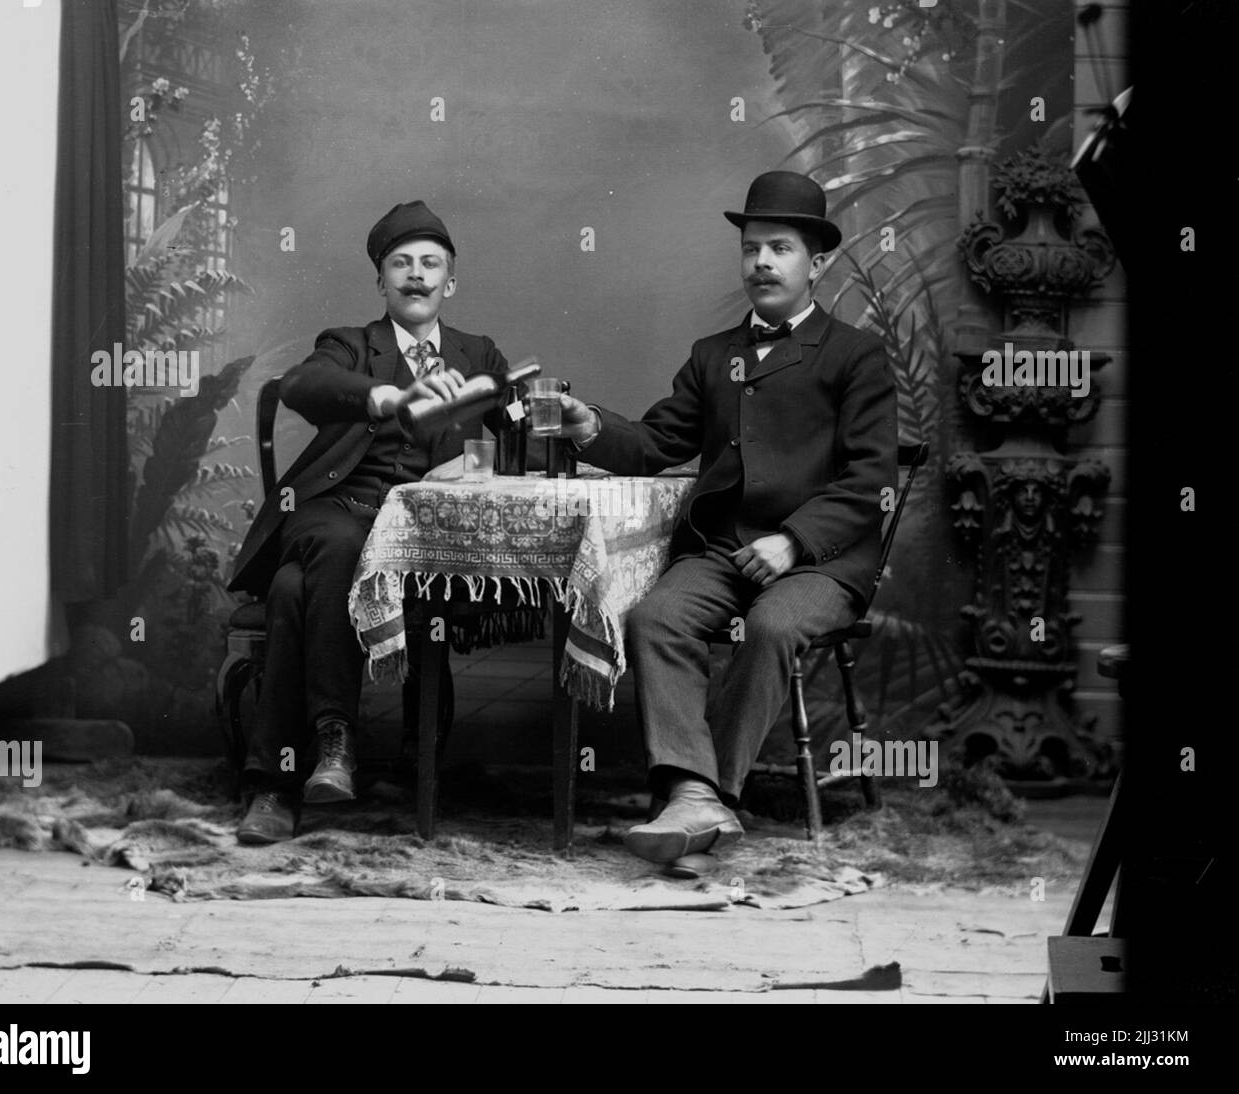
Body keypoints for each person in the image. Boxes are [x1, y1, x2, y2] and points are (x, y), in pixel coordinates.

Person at [552, 171, 897, 868]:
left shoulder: (855, 355)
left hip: (823, 559)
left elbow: (870, 481)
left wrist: (794, 541)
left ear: (816, 263)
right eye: (750, 249)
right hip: (723, 549)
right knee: (656, 617)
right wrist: (590, 426)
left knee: (771, 625)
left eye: (780, 248)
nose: (761, 262)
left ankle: (710, 794)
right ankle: (694, 794)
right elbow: (654, 445)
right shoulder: (716, 356)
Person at [228, 200, 509, 844]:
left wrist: (479, 466)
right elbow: (304, 384)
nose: (416, 275)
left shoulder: (477, 351)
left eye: (430, 264)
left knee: (292, 590)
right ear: (380, 281)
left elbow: (515, 428)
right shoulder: (351, 346)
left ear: (451, 282)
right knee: (339, 541)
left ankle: (274, 785)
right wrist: (382, 396)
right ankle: (334, 744)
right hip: (333, 510)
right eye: (400, 264)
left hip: (421, 540)